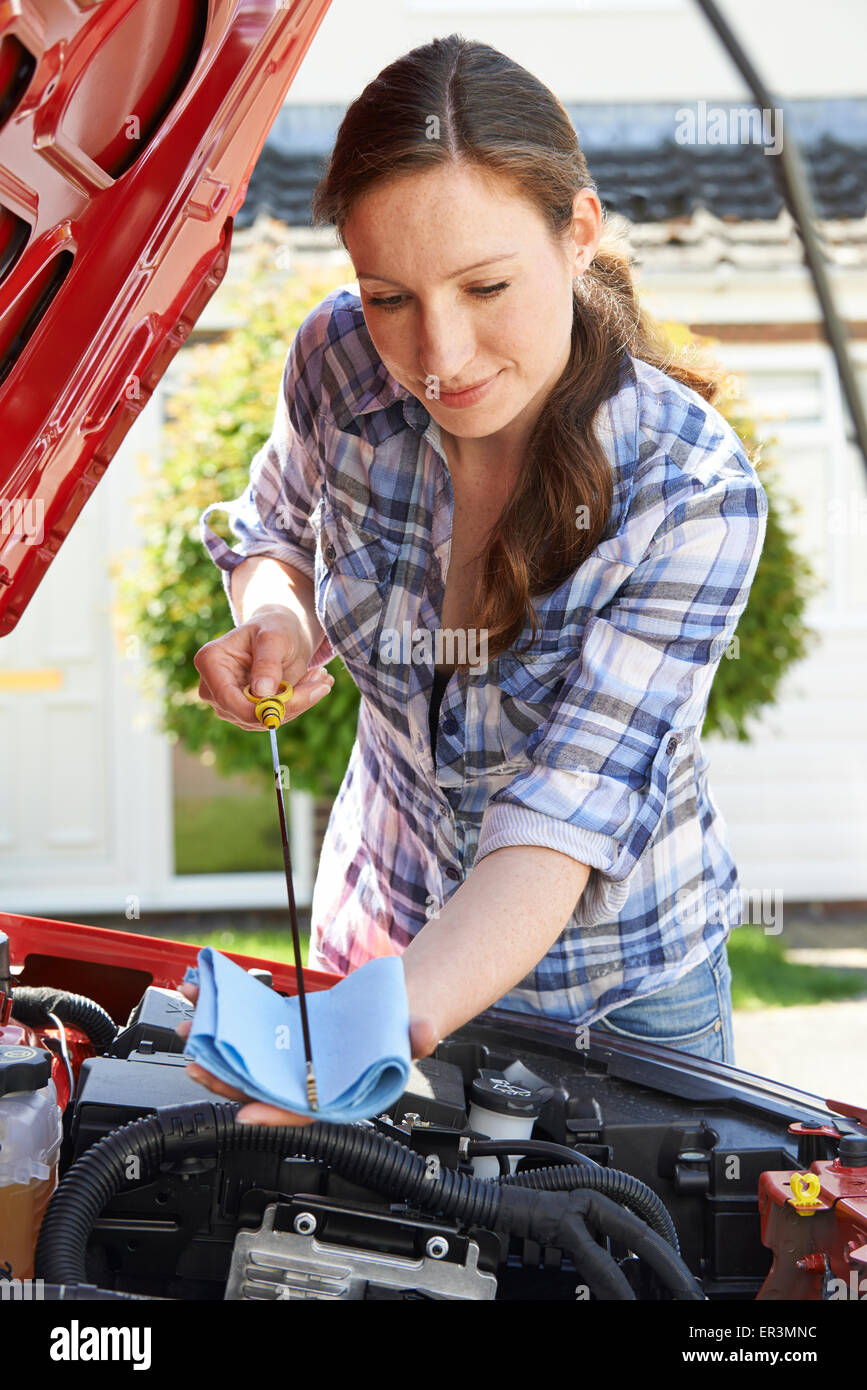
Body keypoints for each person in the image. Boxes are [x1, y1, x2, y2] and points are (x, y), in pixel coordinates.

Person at [179, 35, 768, 1126]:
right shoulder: (338, 360)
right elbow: (275, 527)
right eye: (388, 293)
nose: (438, 353)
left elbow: (557, 826)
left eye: (485, 285)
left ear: (578, 233)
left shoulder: (689, 491)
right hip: (382, 925)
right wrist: (274, 613)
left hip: (615, 1003)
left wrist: (341, 1056)